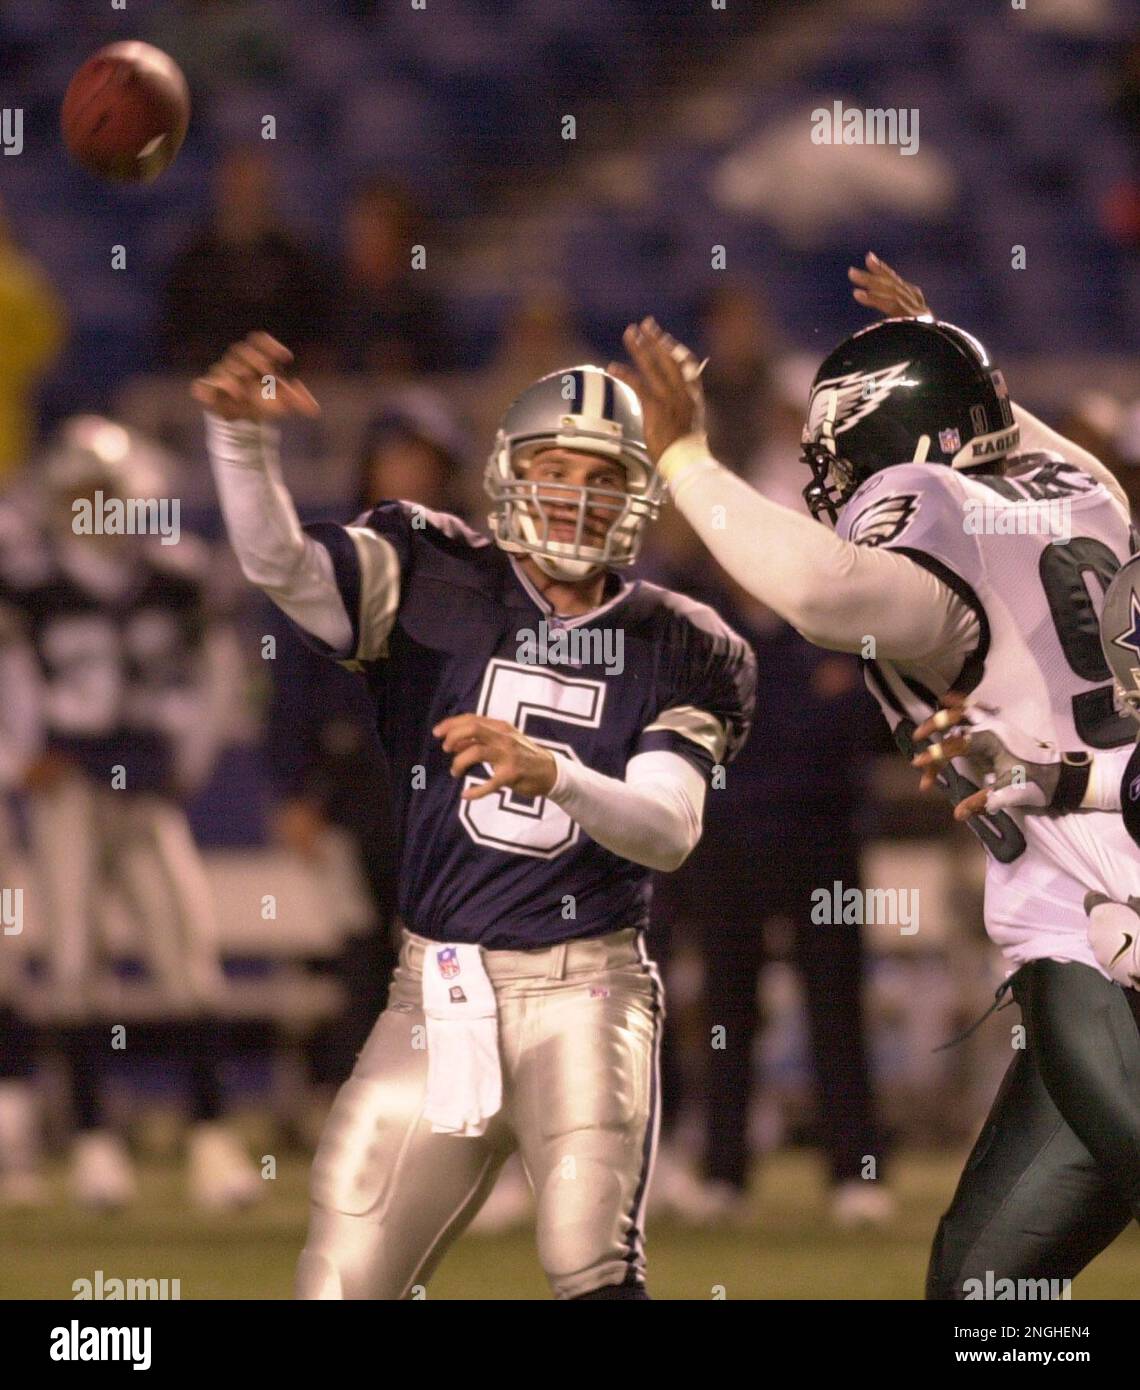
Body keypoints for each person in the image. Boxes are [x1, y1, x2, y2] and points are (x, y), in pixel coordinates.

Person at [606, 255, 1140, 1298]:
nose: (827, 481)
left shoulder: (931, 507)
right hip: (1092, 898)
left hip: (1106, 919)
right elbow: (1002, 434)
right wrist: (943, 348)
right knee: (985, 1287)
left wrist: (683, 461)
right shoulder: (1084, 486)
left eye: (836, 455)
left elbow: (818, 587)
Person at [193, 333, 755, 1300]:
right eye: (554, 469)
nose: (576, 495)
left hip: (586, 992)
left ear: (637, 494)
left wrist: (557, 775)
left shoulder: (683, 641)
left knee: (589, 1265)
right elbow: (286, 569)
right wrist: (241, 446)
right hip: (435, 993)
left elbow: (670, 827)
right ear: (511, 477)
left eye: (602, 475)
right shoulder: (433, 570)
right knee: (339, 1281)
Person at [0, 416, 260, 1209]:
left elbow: (218, 677)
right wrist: (19, 759)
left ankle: (213, 1144)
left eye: (105, 494)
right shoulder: (30, 585)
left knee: (189, 961)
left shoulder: (175, 577)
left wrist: (190, 759)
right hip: (70, 787)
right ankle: (92, 1145)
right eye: (79, 495)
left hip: (145, 790)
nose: (93, 509)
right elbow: (7, 674)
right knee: (74, 966)